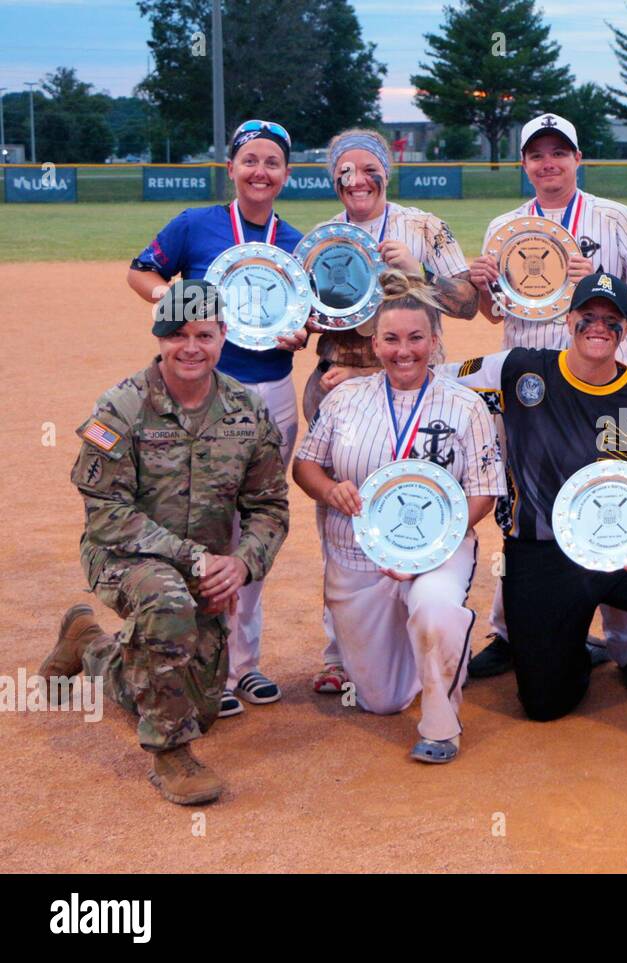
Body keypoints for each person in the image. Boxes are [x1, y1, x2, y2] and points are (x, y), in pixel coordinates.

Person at [443, 272, 627, 766]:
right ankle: (572, 649)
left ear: (626, 331)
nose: (599, 327)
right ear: (569, 319)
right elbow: (441, 380)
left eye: (611, 321)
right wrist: (362, 381)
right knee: (543, 705)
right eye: (588, 317)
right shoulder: (518, 368)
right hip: (541, 552)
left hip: (615, 554)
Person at [40, 280, 290, 805]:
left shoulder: (247, 411)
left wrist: (241, 565)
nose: (191, 347)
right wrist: (195, 560)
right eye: (176, 335)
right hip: (122, 556)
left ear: (224, 336)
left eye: (204, 334)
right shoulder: (122, 408)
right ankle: (170, 754)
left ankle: (89, 644)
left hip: (205, 567)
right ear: (159, 339)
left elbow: (269, 508)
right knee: (166, 603)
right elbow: (107, 515)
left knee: (186, 699)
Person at [465, 112, 627, 692]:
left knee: (616, 503)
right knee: (520, 509)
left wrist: (601, 279)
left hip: (603, 389)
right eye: (537, 154)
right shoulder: (505, 227)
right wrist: (483, 286)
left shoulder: (615, 218)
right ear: (524, 163)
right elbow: (495, 313)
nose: (548, 163)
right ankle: (511, 630)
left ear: (577, 159)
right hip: (529, 393)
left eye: (560, 152)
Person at [127, 118, 307, 717]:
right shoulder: (195, 224)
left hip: (271, 394)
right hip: (201, 396)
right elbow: (140, 270)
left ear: (285, 174)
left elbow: (311, 316)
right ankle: (212, 669)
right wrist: (173, 302)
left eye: (272, 162)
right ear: (231, 167)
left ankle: (245, 664)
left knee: (255, 527)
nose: (261, 171)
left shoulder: (297, 241)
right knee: (203, 526)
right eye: (250, 160)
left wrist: (302, 331)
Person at [293, 272, 504, 763]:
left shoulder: (465, 405)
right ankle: (428, 654)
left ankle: (440, 719)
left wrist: (431, 547)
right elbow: (305, 466)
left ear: (434, 341)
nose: (402, 351)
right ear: (375, 341)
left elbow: (484, 490)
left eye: (415, 338)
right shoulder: (346, 397)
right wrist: (329, 488)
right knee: (382, 700)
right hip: (356, 553)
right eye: (391, 339)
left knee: (433, 611)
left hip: (436, 555)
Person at [303, 127, 479, 698]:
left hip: (417, 381)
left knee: (422, 501)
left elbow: (469, 304)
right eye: (344, 171)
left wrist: (420, 272)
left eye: (367, 168)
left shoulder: (425, 227)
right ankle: (342, 650)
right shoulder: (321, 238)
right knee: (342, 513)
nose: (356, 180)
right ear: (332, 178)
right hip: (338, 387)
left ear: (387, 171)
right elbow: (308, 317)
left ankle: (433, 630)